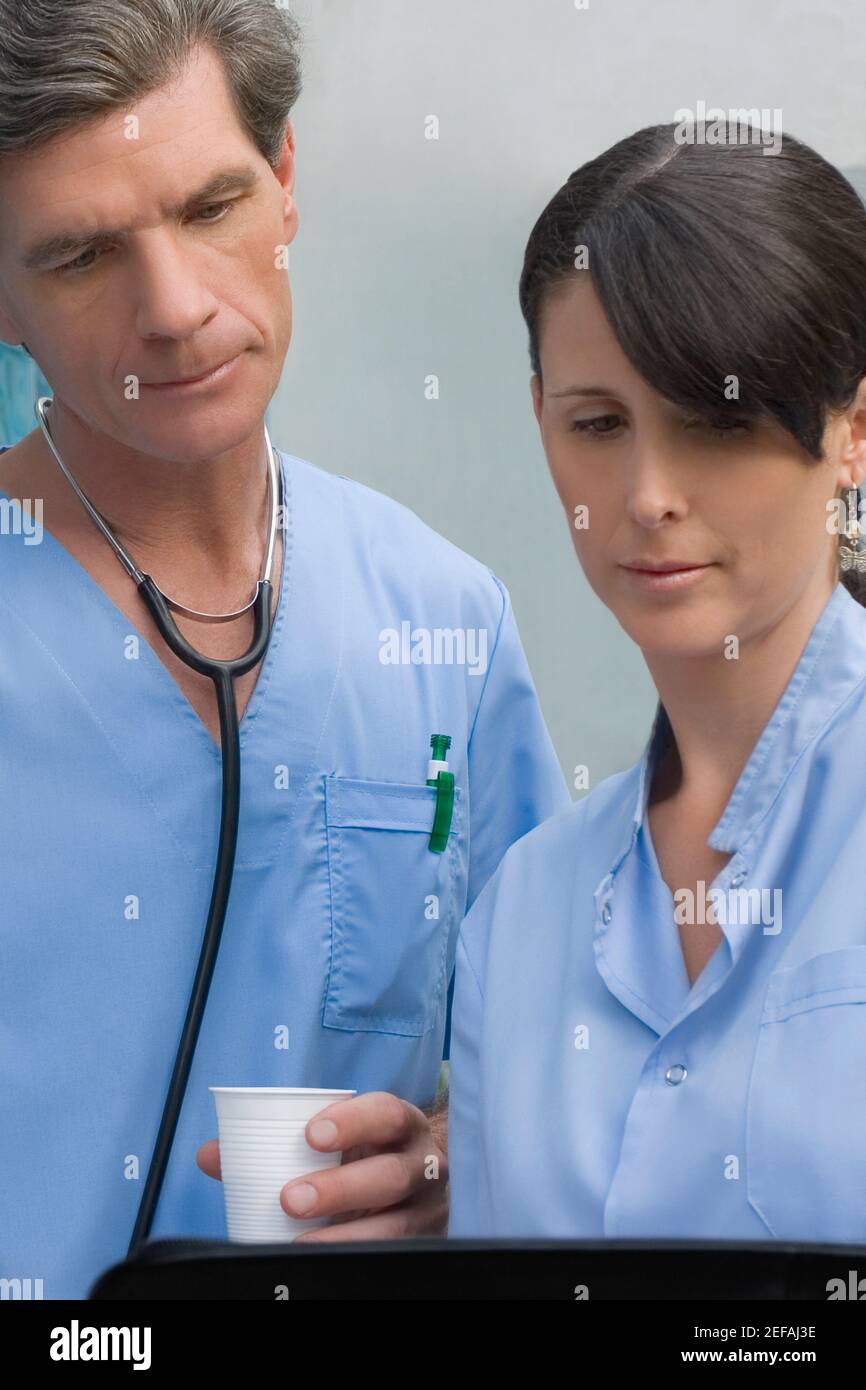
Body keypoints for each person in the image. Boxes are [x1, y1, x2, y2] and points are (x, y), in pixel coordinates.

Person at [0, 0, 569, 1298]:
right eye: (83, 255)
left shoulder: (446, 620)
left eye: (210, 209)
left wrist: (461, 1159)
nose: (178, 309)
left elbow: (560, 1072)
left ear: (288, 182)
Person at [447, 120, 866, 1244]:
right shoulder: (521, 914)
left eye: (715, 423)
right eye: (597, 424)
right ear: (542, 421)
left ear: (851, 430)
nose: (645, 493)